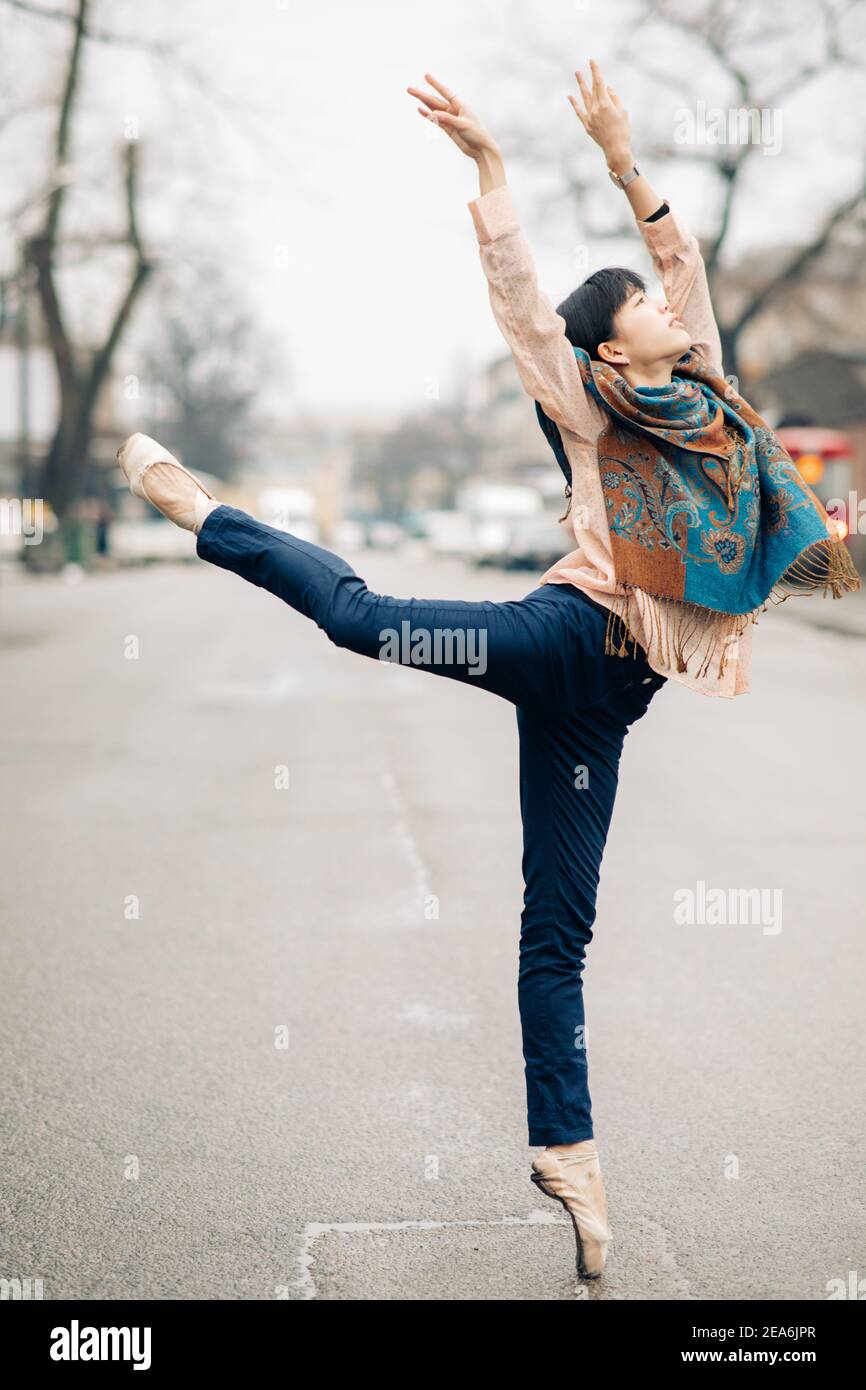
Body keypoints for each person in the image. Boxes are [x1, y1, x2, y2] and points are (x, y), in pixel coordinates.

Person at [117, 61, 858, 1282]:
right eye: (643, 307)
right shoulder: (591, 413)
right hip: (559, 638)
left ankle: (568, 1156)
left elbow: (687, 273)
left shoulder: (712, 401)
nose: (670, 308)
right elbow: (524, 310)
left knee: (556, 933)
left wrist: (625, 159)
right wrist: (493, 174)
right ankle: (209, 516)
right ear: (612, 344)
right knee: (362, 619)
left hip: (609, 701)